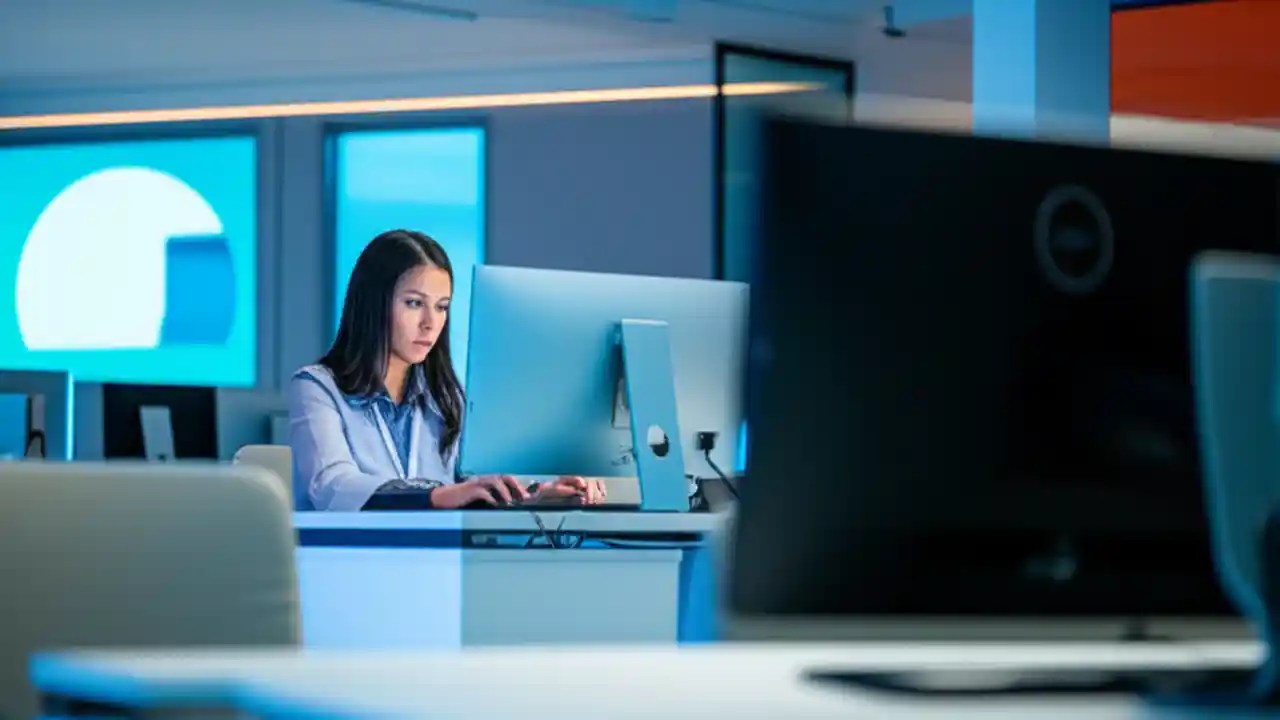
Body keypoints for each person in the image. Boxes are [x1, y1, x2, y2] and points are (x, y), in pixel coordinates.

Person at [290, 229, 606, 511]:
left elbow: (476, 483)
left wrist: (537, 494)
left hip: (436, 566)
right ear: (374, 303)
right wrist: (437, 495)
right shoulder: (317, 387)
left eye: (441, 307)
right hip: (347, 564)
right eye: (414, 303)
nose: (430, 323)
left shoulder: (447, 396)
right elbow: (333, 486)